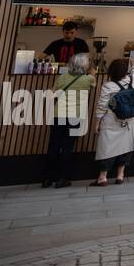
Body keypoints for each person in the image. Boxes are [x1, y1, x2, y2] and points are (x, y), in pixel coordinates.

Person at [41, 53, 94, 188]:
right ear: (84, 65)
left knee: (53, 145)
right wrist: (92, 72)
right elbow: (93, 84)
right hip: (75, 117)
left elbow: (53, 93)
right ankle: (62, 179)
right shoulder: (89, 79)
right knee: (67, 147)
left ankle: (47, 178)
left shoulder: (62, 77)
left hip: (58, 115)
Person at [91, 57, 134, 186]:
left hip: (112, 120)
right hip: (130, 119)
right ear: (125, 71)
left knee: (107, 147)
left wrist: (97, 123)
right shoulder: (132, 81)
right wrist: (133, 63)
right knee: (126, 146)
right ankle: (120, 175)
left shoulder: (108, 86)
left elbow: (102, 105)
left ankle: (103, 177)